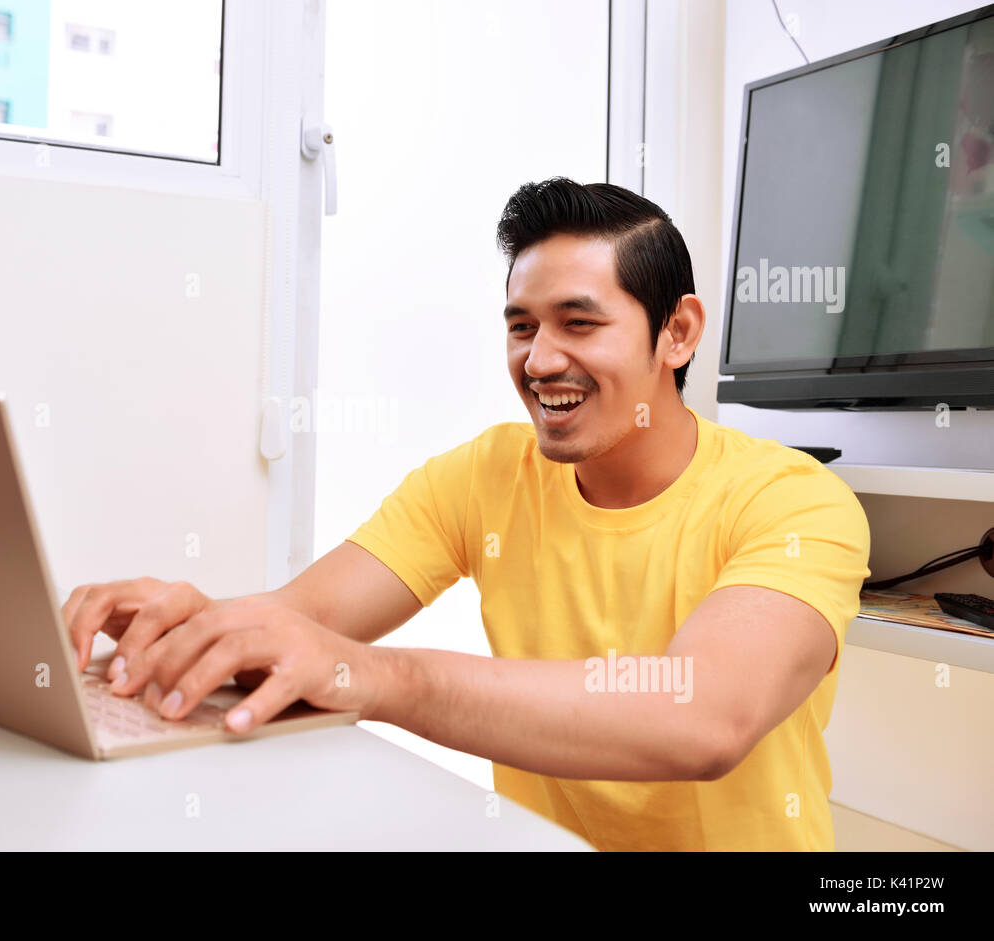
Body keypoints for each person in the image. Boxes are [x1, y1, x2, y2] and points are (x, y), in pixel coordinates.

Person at [61, 176, 870, 851]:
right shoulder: (488, 474)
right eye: (522, 327)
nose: (540, 359)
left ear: (678, 333)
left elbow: (703, 718)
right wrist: (190, 626)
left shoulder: (795, 502)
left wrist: (379, 678)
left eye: (579, 323)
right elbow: (298, 625)